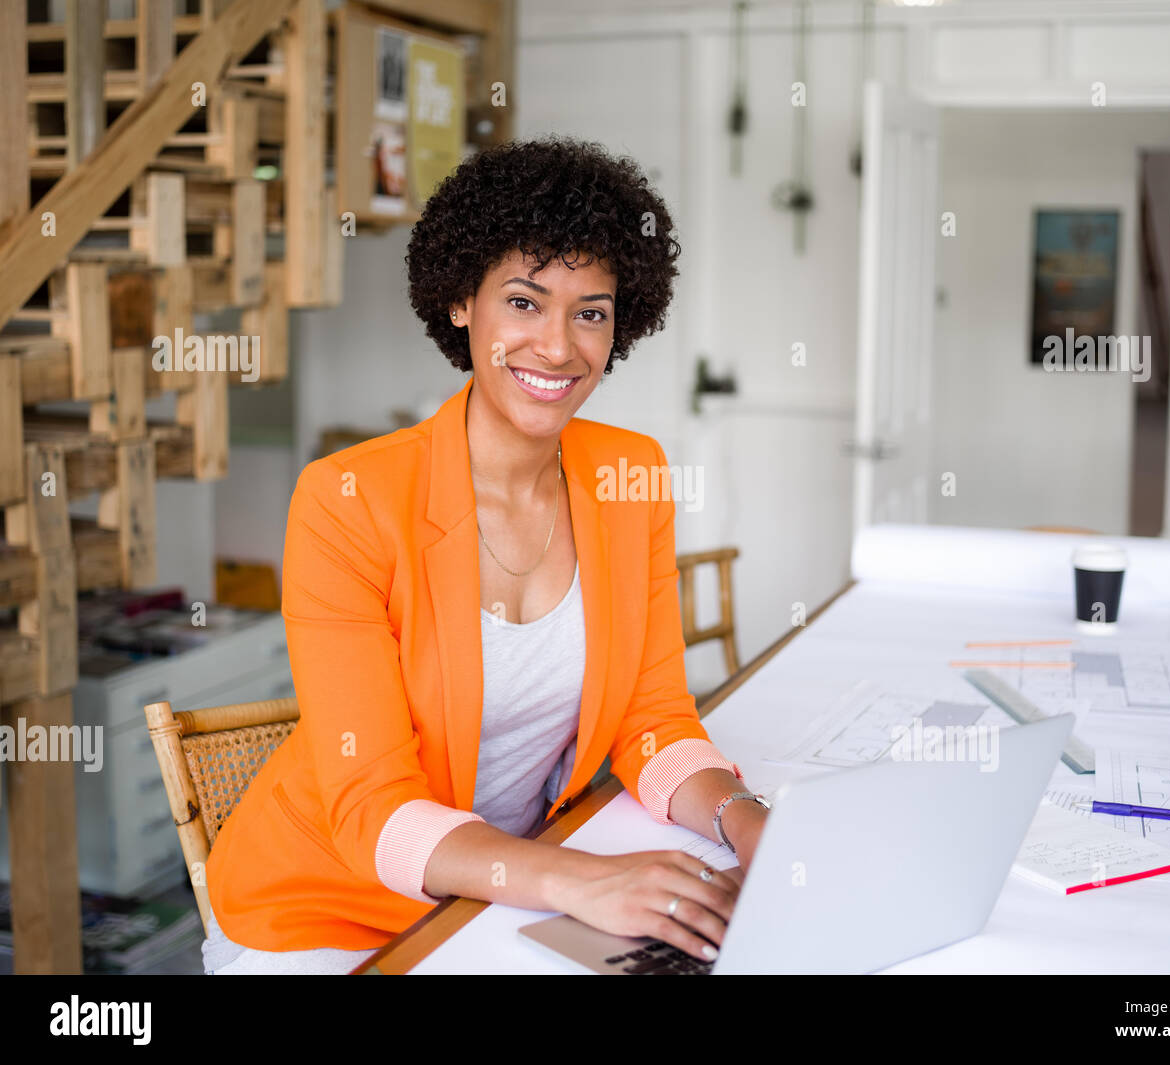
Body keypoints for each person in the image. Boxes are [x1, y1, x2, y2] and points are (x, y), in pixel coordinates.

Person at [201, 137, 768, 974]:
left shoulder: (631, 472)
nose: (559, 346)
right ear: (462, 301)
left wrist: (749, 821)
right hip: (326, 906)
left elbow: (652, 719)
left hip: (506, 889)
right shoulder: (345, 500)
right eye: (525, 302)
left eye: (591, 311)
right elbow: (372, 810)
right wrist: (580, 879)